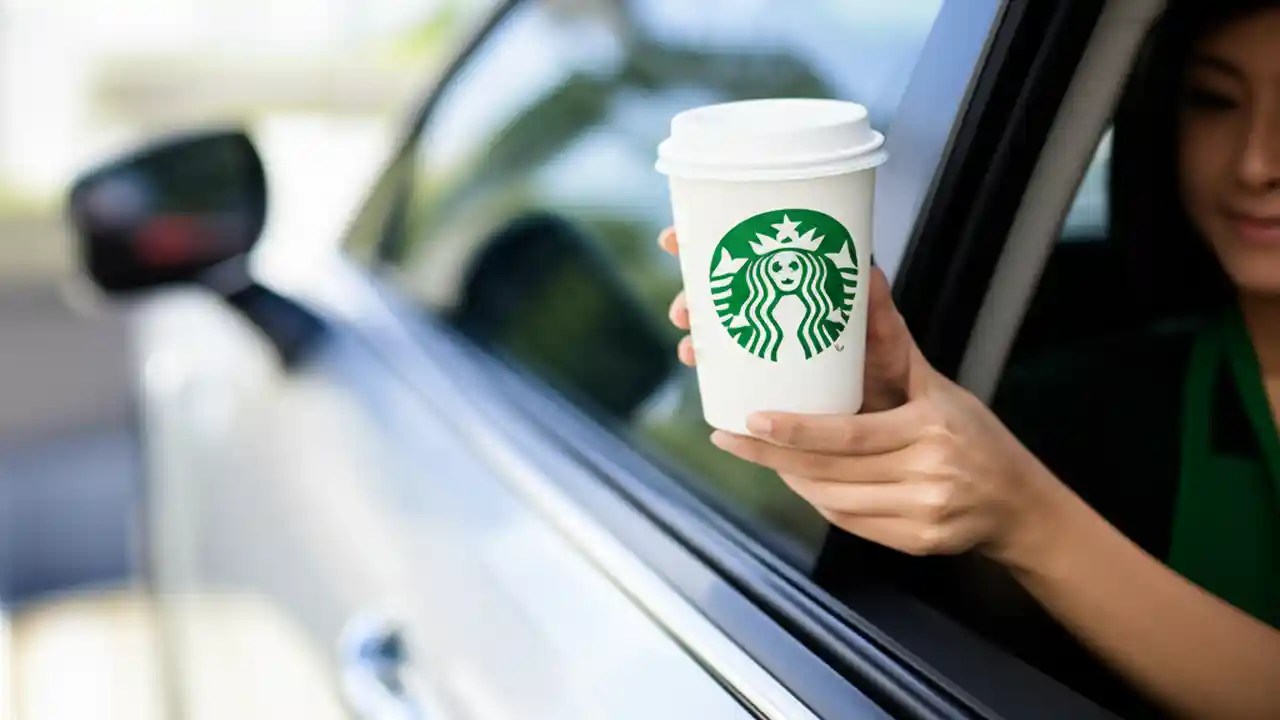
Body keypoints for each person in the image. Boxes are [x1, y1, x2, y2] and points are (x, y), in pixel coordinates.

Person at [659, 2, 1280, 717]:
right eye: (1215, 101)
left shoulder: (1037, 447)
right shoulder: (1084, 407)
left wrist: (1026, 516)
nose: (1257, 163)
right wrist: (882, 432)